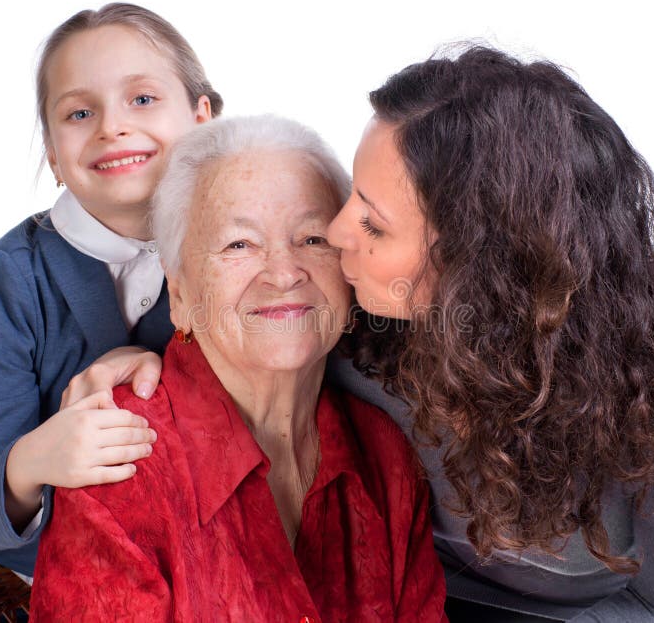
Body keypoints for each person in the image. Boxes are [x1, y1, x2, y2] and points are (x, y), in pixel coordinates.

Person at [81, 45, 654, 621]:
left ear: (477, 269)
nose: (336, 237)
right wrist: (134, 355)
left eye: (373, 225)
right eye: (349, 204)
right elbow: (228, 297)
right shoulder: (363, 338)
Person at [28, 115, 448, 622]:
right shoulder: (120, 456)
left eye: (312, 239)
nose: (284, 272)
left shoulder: (385, 451)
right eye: (238, 245)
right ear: (179, 293)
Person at [0, 2, 222, 583]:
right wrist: (40, 456)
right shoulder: (12, 274)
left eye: (142, 99)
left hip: (151, 559)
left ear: (203, 119)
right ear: (52, 152)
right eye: (79, 112)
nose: (111, 127)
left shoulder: (243, 250)